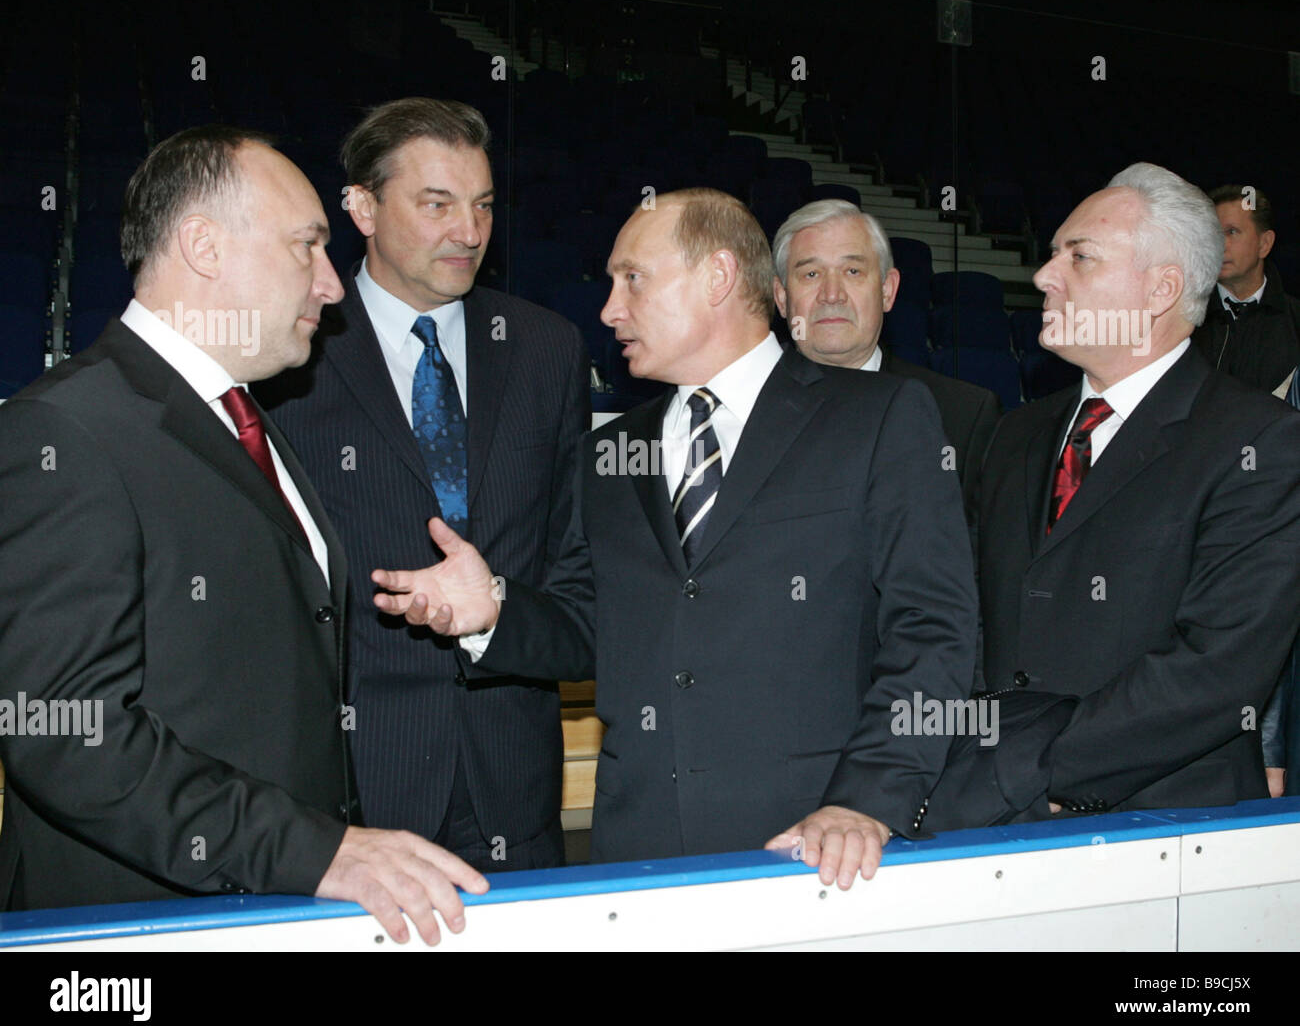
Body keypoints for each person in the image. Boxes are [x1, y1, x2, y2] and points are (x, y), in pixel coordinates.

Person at [370, 188, 979, 888]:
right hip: (639, 854)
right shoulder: (611, 450)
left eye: (633, 278)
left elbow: (935, 629)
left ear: (718, 277)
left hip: (821, 851)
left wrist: (867, 801)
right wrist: (494, 613)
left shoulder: (878, 418)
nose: (609, 310)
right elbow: (586, 626)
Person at [0, 126, 486, 945]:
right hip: (134, 930)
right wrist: (317, 853)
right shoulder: (66, 431)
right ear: (203, 246)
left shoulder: (244, 418)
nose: (333, 285)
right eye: (307, 247)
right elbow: (65, 733)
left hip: (261, 914)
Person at [257, 99, 588, 871]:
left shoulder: (547, 349)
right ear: (363, 209)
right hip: (348, 796)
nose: (469, 232)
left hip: (515, 786)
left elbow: (574, 575)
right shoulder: (288, 351)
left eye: (482, 206)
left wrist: (494, 617)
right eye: (436, 204)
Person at [941, 163, 1300, 826]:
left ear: (1162, 289)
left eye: (1079, 257)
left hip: (1167, 830)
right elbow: (960, 617)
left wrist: (1021, 767)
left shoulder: (1263, 443)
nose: (1045, 276)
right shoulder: (1014, 433)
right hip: (988, 815)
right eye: (1051, 256)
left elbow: (1217, 671)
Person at [772, 199, 1000, 511]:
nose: (832, 294)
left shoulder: (961, 416)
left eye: (853, 271)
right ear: (782, 297)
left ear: (887, 290)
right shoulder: (739, 408)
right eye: (811, 274)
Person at [1191, 185, 1300, 394]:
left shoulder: (1295, 323)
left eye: (1232, 232)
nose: (1220, 245)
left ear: (1264, 243)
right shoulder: (1183, 321)